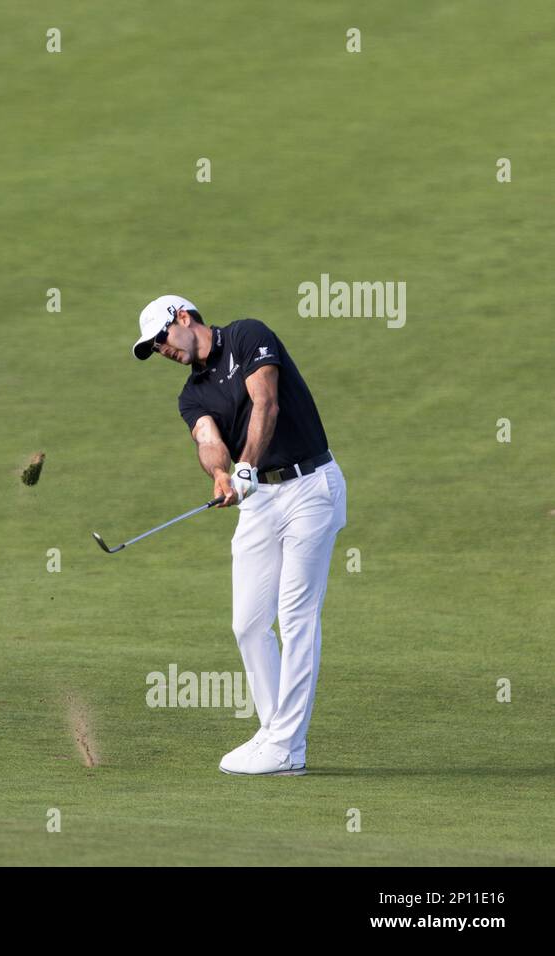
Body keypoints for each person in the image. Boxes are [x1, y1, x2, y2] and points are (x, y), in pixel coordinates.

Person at [132, 294, 346, 775]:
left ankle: (289, 746)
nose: (160, 350)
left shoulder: (248, 335)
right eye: (153, 349)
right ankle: (272, 732)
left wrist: (245, 465)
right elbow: (208, 440)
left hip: (309, 487)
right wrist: (221, 474)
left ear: (183, 319)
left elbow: (264, 403)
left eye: (161, 339)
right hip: (260, 501)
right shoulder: (191, 394)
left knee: (295, 618)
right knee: (248, 623)